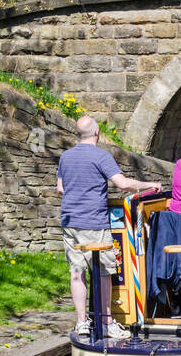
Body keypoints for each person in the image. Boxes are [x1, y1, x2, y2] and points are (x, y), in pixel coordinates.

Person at [57, 115, 162, 340]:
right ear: (97, 133)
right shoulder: (101, 156)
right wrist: (149, 185)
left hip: (70, 221)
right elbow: (122, 184)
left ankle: (82, 323)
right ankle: (106, 322)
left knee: (77, 273)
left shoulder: (66, 157)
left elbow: (60, 189)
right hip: (94, 222)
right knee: (104, 272)